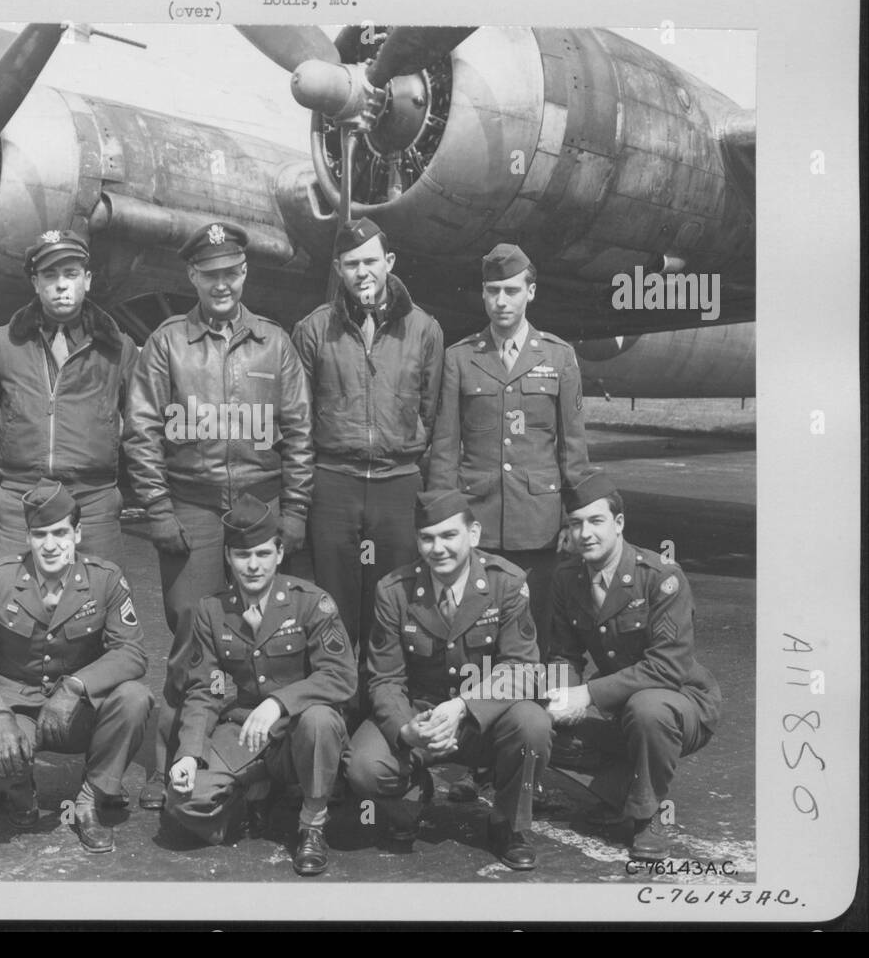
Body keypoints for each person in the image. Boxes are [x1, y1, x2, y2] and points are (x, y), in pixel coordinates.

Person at [125, 221, 314, 808]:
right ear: (192, 278)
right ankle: (173, 759)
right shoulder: (166, 343)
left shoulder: (275, 344)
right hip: (193, 506)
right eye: (210, 275)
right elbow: (142, 431)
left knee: (273, 628)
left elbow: (301, 434)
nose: (222, 284)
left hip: (262, 503)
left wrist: (297, 510)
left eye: (231, 272)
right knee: (188, 628)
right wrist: (158, 508)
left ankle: (274, 758)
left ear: (244, 274)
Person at [345, 489, 552, 870]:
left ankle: (507, 824)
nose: (437, 548)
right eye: (427, 538)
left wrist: (464, 707)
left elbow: (523, 667)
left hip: (482, 719)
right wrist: (405, 729)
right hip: (421, 714)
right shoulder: (394, 591)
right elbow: (384, 678)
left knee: (533, 724)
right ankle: (409, 802)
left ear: (472, 534)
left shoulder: (506, 582)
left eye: (448, 535)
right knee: (363, 766)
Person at [0, 479, 153, 853]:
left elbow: (132, 652)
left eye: (60, 532)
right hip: (19, 710)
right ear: (28, 537)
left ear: (77, 533)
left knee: (135, 698)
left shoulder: (105, 579)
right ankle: (18, 790)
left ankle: (90, 799)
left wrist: (76, 684)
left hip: (78, 712)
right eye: (39, 534)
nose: (50, 544)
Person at [291, 216, 444, 696]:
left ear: (389, 263)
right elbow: (299, 417)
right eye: (352, 263)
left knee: (394, 597)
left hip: (399, 483)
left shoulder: (424, 330)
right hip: (335, 479)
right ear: (339, 268)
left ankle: (386, 698)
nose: (362, 272)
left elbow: (432, 412)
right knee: (334, 601)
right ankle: (335, 699)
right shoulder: (314, 330)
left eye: (371, 261)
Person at [164, 495, 355, 876]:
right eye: (241, 555)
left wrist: (280, 703)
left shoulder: (312, 603)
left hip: (300, 731)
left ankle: (312, 825)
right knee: (183, 802)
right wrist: (189, 753)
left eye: (263, 554)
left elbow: (340, 676)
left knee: (320, 720)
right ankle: (257, 792)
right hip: (243, 734)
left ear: (280, 553)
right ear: (228, 558)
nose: (252, 565)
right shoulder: (212, 610)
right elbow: (207, 689)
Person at [546, 470, 721, 861]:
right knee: (537, 723)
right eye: (575, 524)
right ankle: (621, 789)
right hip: (617, 705)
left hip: (680, 702)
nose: (585, 534)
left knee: (648, 710)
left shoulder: (661, 577)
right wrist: (559, 699)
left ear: (619, 523)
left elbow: (666, 667)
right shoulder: (567, 578)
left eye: (596, 521)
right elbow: (564, 653)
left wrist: (586, 693)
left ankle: (647, 815)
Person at [428, 242, 589, 650]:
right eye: (493, 290)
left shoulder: (559, 356)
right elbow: (445, 449)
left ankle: (531, 707)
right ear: (483, 293)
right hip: (477, 515)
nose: (502, 300)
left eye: (512, 290)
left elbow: (573, 452)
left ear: (530, 292)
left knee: (535, 625)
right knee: (478, 624)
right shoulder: (460, 358)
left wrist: (575, 519)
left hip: (537, 521)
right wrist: (445, 519)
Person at [0, 229, 138, 562]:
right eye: (50, 275)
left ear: (87, 280)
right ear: (35, 283)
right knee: (16, 602)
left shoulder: (120, 349)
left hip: (94, 501)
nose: (61, 284)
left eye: (70, 274)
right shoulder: (0, 344)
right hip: (22, 499)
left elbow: (141, 423)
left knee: (98, 601)